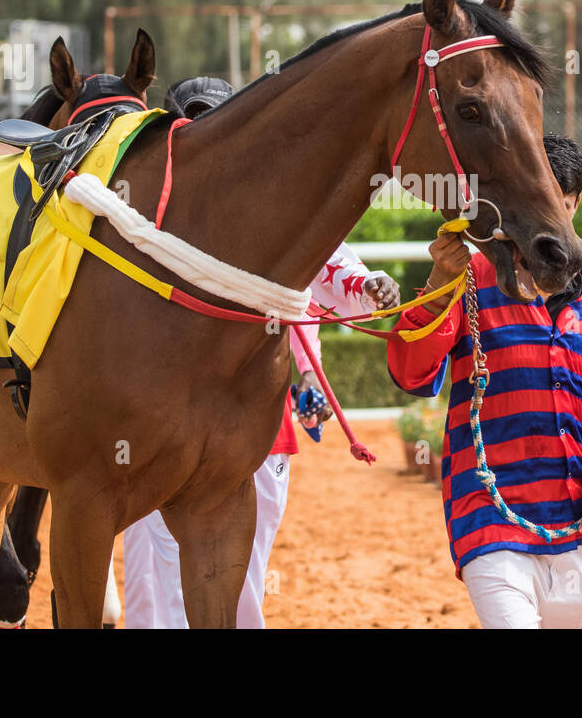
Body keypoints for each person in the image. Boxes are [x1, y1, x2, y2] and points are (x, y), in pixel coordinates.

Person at [122, 78, 401, 628]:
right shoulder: (141, 216)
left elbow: (331, 267)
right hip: (158, 426)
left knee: (239, 582)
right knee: (155, 582)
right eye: (196, 123)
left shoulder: (282, 210)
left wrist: (368, 287)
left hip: (255, 429)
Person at [386, 133, 582, 629]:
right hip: (488, 517)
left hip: (580, 520)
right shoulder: (467, 280)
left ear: (575, 203)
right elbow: (410, 373)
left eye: (560, 205)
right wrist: (440, 285)